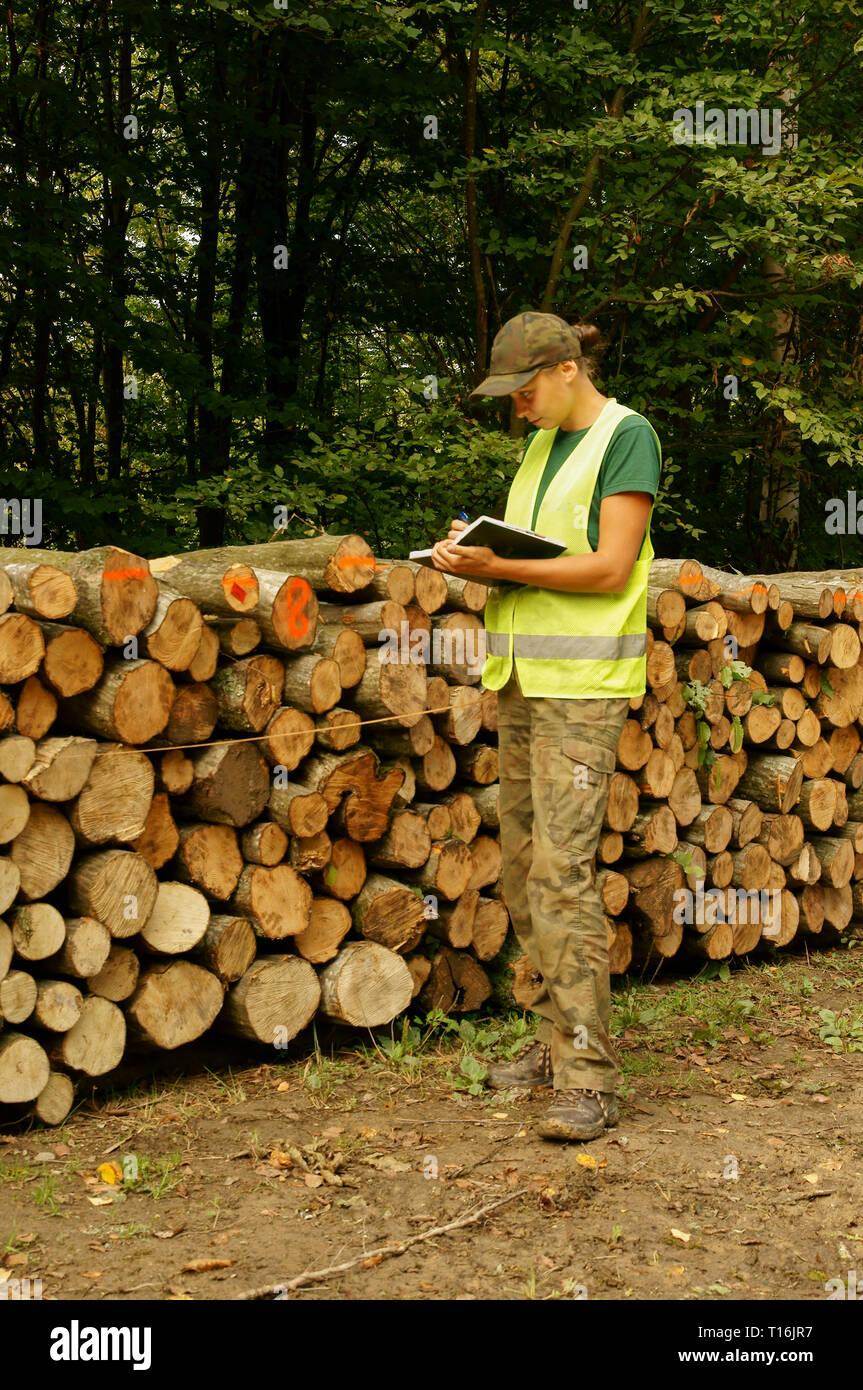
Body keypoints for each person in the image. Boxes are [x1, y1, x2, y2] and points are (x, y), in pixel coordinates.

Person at [430, 311, 661, 1142]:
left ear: (566, 370)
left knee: (562, 874)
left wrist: (498, 566)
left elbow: (606, 568)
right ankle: (556, 1036)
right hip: (525, 682)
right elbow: (537, 553)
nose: (516, 408)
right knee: (524, 867)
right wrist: (471, 556)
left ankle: (590, 1078)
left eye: (523, 392)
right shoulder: (537, 444)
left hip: (582, 690)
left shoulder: (626, 438)